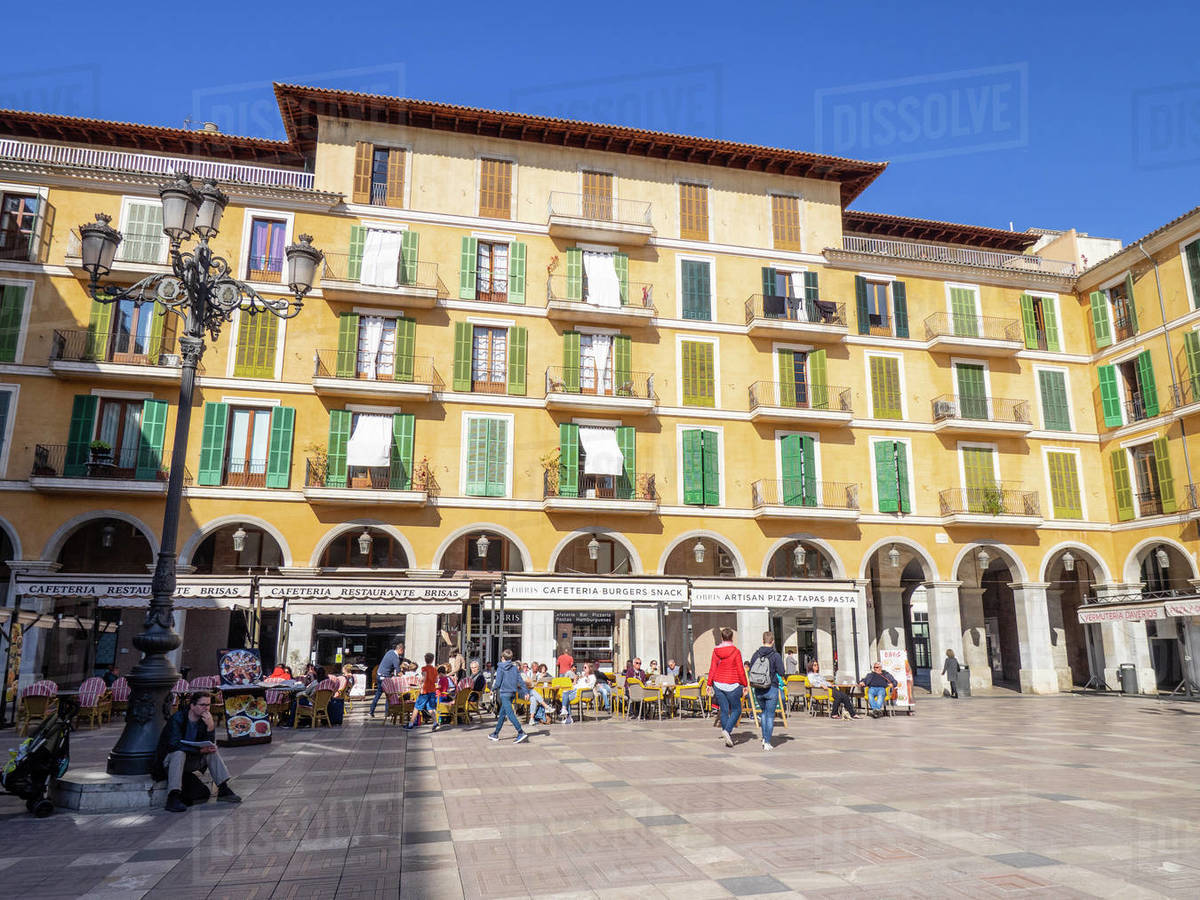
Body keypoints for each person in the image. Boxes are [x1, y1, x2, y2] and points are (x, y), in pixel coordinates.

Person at [155, 691, 241, 812]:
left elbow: (208, 744)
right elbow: (173, 745)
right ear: (192, 705)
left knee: (212, 751)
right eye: (202, 705)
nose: (206, 708)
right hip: (171, 761)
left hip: (191, 760)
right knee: (179, 753)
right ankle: (173, 797)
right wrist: (199, 750)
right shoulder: (178, 718)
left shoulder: (204, 720)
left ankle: (223, 789)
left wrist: (210, 728)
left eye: (208, 705)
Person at [707, 628, 747, 747]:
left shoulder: (716, 651)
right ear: (732, 638)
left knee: (724, 710)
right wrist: (745, 684)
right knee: (737, 710)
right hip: (733, 683)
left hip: (718, 683)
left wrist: (709, 684)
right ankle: (727, 731)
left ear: (722, 637)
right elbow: (740, 669)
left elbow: (712, 668)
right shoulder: (736, 652)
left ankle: (726, 735)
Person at [748, 631, 785, 751]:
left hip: (758, 688)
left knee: (763, 713)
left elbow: (751, 669)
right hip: (771, 687)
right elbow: (781, 672)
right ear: (773, 641)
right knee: (770, 716)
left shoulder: (755, 654)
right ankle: (767, 742)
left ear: (762, 641)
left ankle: (764, 737)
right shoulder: (775, 655)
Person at [488, 649, 529, 744]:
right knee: (502, 714)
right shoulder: (515, 668)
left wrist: (492, 689)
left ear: (502, 658)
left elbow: (498, 682)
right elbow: (521, 681)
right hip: (512, 693)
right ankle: (495, 733)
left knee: (510, 714)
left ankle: (520, 732)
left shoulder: (500, 668)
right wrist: (526, 692)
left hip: (504, 694)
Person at [370, 639, 409, 718]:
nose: (403, 653)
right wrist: (405, 677)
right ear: (400, 649)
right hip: (385, 677)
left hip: (379, 675)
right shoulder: (395, 657)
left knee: (378, 694)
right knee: (389, 694)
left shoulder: (390, 652)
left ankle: (371, 711)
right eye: (403, 651)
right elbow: (398, 671)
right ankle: (387, 712)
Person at [406, 653, 441, 731]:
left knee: (416, 707)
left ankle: (410, 724)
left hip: (425, 690)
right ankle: (435, 723)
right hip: (432, 690)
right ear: (432, 660)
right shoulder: (434, 669)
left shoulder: (424, 668)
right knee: (430, 708)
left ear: (425, 659)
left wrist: (421, 681)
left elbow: (424, 678)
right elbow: (436, 680)